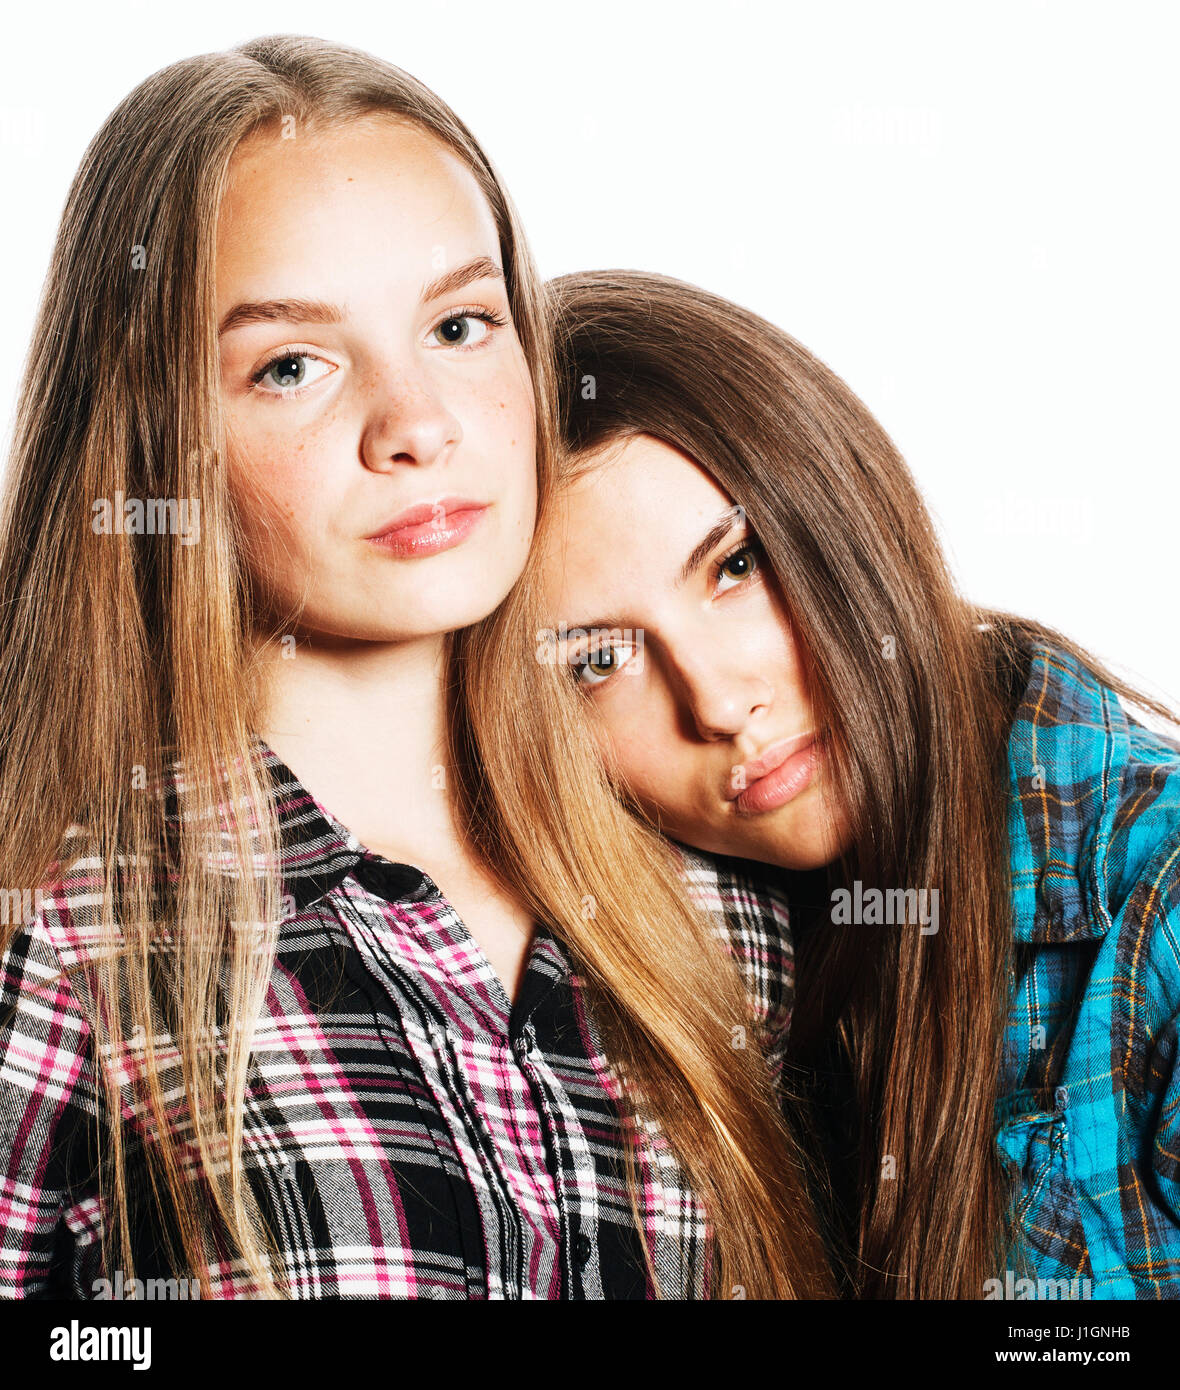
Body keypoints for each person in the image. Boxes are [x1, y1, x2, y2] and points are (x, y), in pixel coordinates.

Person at [0, 42, 832, 1300]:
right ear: (159, 436)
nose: (417, 424)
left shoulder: (717, 909)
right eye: (292, 364)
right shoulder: (64, 939)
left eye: (458, 325)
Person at [491, 266, 1180, 1298]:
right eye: (595, 662)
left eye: (735, 565)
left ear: (837, 498)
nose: (718, 702)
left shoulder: (1157, 908)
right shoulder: (677, 954)